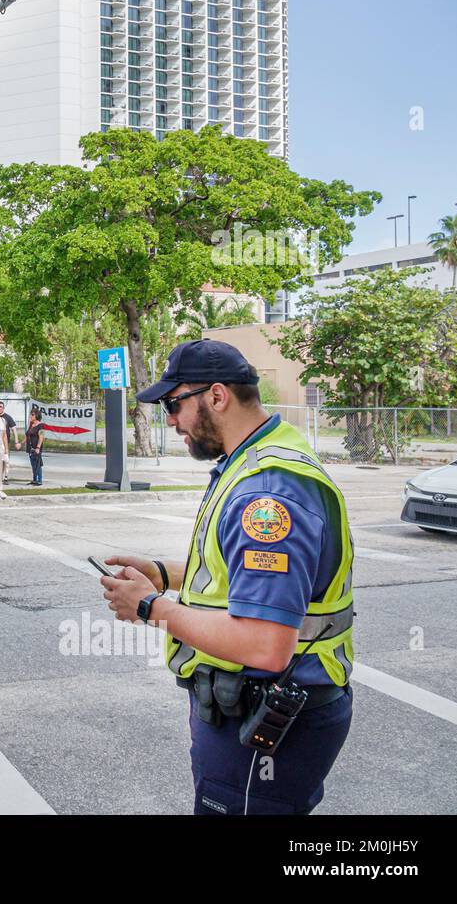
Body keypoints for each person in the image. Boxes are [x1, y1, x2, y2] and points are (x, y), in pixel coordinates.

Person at [97, 339, 355, 816]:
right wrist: (161, 575)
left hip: (267, 720)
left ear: (217, 397)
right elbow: (241, 579)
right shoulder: (260, 459)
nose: (170, 420)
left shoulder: (266, 493)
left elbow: (264, 643)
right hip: (256, 712)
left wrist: (151, 608)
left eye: (174, 404)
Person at [0, 401, 17, 483]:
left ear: (3, 408)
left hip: (5, 443)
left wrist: (16, 441)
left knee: (6, 460)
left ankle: (5, 477)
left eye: (0, 407)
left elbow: (14, 429)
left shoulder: (7, 417)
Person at [26, 407, 45, 486]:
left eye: (32, 415)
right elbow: (27, 435)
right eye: (31, 414)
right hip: (30, 448)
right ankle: (34, 479)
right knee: (33, 465)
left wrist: (38, 447)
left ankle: (39, 480)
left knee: (38, 464)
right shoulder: (31, 424)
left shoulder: (40, 425)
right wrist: (21, 443)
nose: (31, 416)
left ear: (37, 416)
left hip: (36, 448)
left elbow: (41, 437)